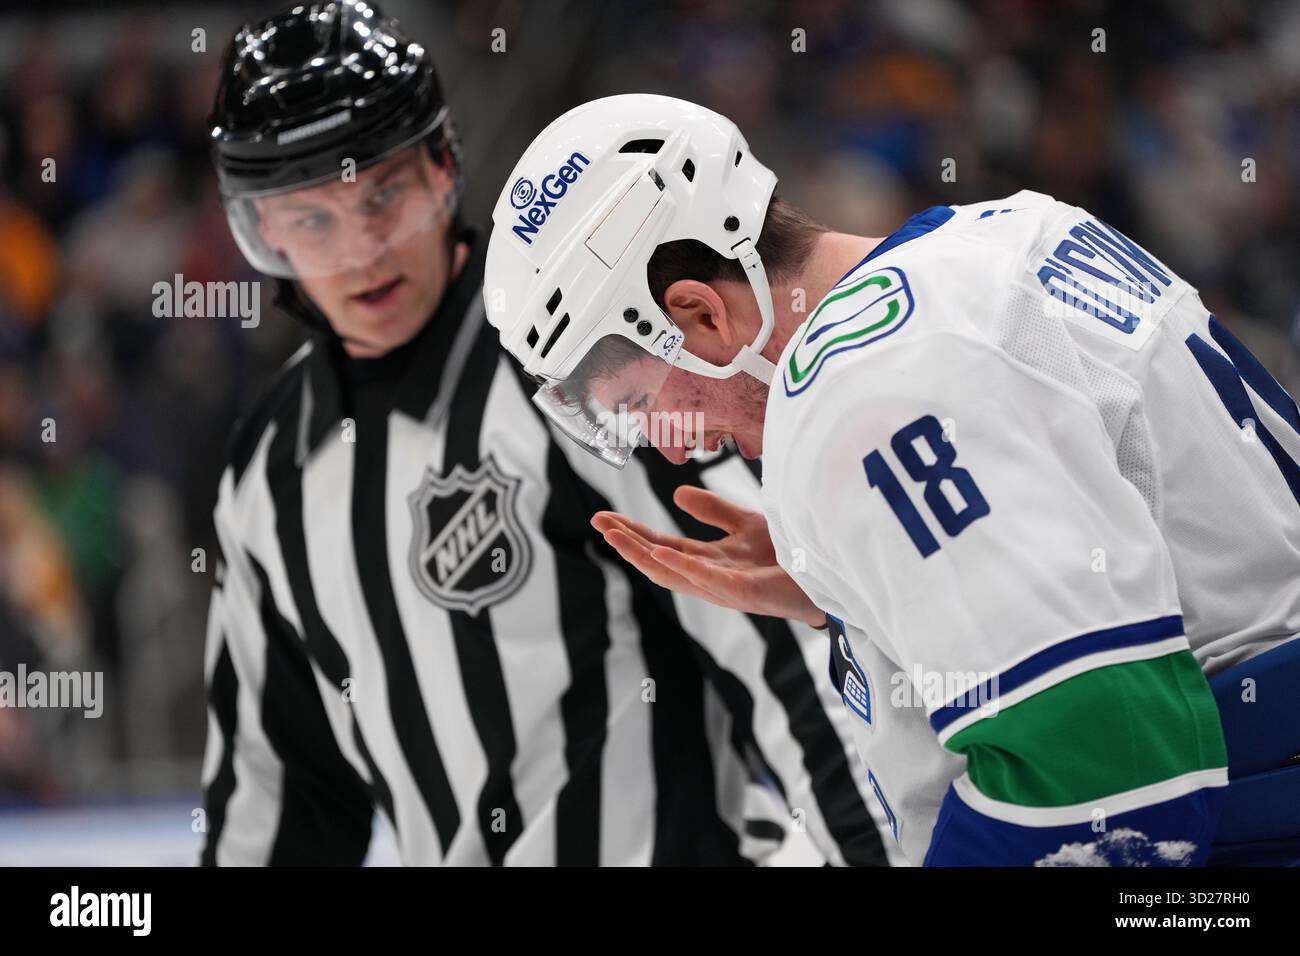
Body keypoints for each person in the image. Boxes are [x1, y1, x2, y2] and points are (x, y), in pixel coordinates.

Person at [482, 93, 1300, 866]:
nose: (669, 449)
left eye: (637, 405)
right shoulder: (1006, 231)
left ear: (700, 314)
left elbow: (1107, 768)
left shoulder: (862, 387)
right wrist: (860, 589)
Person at [199, 4, 887, 866]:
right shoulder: (266, 474)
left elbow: (776, 648)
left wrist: (876, 853)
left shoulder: (591, 361)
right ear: (262, 232)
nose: (364, 249)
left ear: (442, 168)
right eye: (313, 220)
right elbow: (275, 790)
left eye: (384, 194)